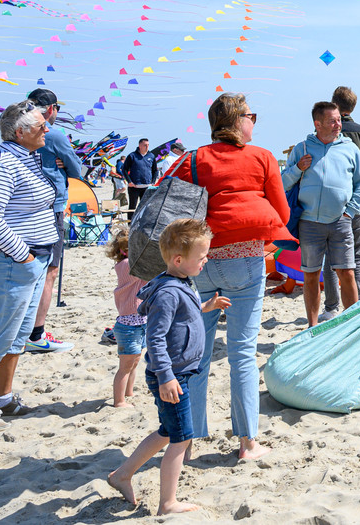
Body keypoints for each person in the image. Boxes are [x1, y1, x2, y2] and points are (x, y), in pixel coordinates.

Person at [165, 92, 288, 461]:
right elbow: (280, 210)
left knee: (194, 356)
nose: (254, 122)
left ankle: (186, 442)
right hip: (245, 261)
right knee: (242, 353)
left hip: (198, 261)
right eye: (252, 115)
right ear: (238, 121)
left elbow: (169, 204)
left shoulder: (193, 159)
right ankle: (248, 442)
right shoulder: (263, 157)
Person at [108, 218, 230, 515]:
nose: (206, 261)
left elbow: (183, 313)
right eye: (201, 257)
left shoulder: (180, 281)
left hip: (179, 373)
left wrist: (206, 307)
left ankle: (122, 475)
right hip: (171, 376)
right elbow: (156, 337)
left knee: (167, 431)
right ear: (178, 259)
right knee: (181, 437)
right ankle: (167, 502)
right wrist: (165, 378)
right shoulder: (167, 292)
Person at [0, 101, 60, 433]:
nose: (47, 129)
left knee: (18, 335)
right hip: (14, 262)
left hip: (33, 259)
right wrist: (25, 256)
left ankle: (3, 399)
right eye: (40, 126)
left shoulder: (29, 159)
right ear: (21, 133)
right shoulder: (2, 165)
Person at [283, 101, 360, 327]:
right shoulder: (301, 149)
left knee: (347, 273)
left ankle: (352, 325)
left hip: (341, 221)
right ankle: (312, 328)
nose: (338, 125)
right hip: (309, 222)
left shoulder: (350, 148)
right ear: (318, 123)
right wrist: (297, 169)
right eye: (333, 121)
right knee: (311, 275)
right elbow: (282, 184)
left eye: (339, 120)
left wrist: (350, 212)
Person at [25, 88, 80, 354]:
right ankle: (36, 333)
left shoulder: (18, 130)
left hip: (25, 205)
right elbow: (76, 168)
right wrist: (61, 163)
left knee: (27, 268)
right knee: (49, 271)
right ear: (51, 109)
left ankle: (23, 330)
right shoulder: (52, 133)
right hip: (52, 204)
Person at [331, 86, 360, 308]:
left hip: (333, 199)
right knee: (357, 253)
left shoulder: (329, 130)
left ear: (334, 104)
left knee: (332, 256)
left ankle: (332, 304)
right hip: (358, 199)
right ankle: (357, 298)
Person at [105, 228, 146, 408]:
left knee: (135, 361)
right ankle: (119, 401)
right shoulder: (127, 265)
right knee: (126, 365)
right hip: (129, 325)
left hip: (139, 322)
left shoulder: (132, 264)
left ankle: (128, 392)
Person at [122, 139, 158, 211]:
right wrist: (129, 181)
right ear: (140, 146)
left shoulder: (151, 156)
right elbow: (124, 169)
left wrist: (153, 182)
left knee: (145, 207)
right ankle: (130, 222)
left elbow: (155, 170)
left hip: (147, 186)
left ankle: (142, 222)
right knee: (132, 207)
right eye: (145, 145)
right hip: (134, 186)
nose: (147, 147)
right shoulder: (132, 156)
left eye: (148, 145)